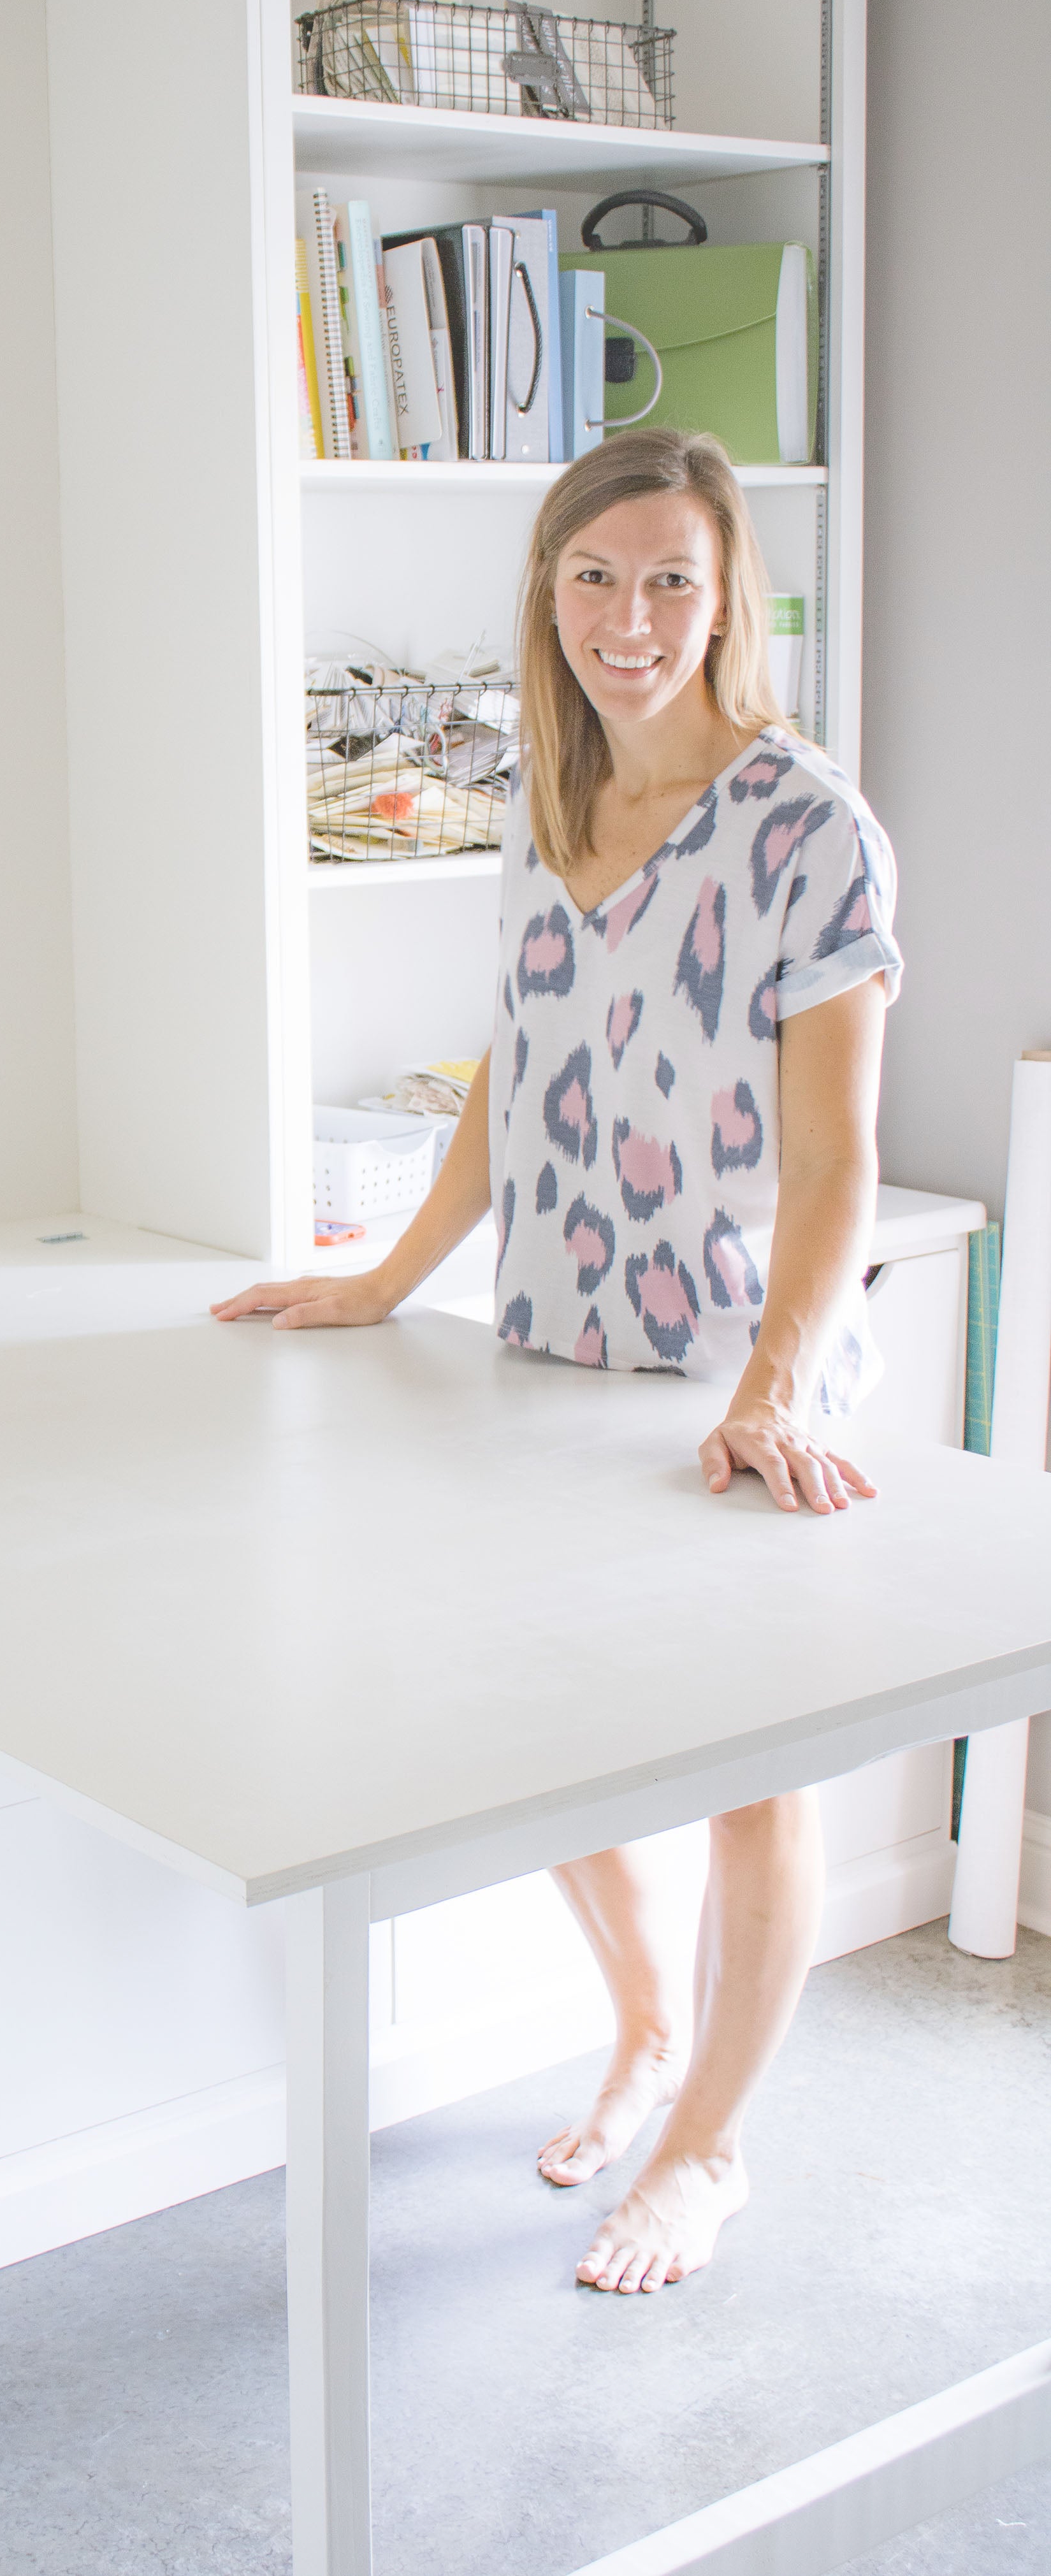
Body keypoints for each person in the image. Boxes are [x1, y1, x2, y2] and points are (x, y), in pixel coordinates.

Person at [214, 428, 901, 2297]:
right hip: (551, 1343)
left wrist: (771, 1387)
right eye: (596, 576)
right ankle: (651, 2027)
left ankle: (710, 2149)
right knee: (560, 1734)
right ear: (548, 590)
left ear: (728, 596)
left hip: (737, 1371)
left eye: (673, 578)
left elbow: (835, 1160)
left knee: (754, 1774)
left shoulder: (810, 829)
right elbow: (513, 1067)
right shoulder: (547, 795)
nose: (631, 617)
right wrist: (384, 1280)